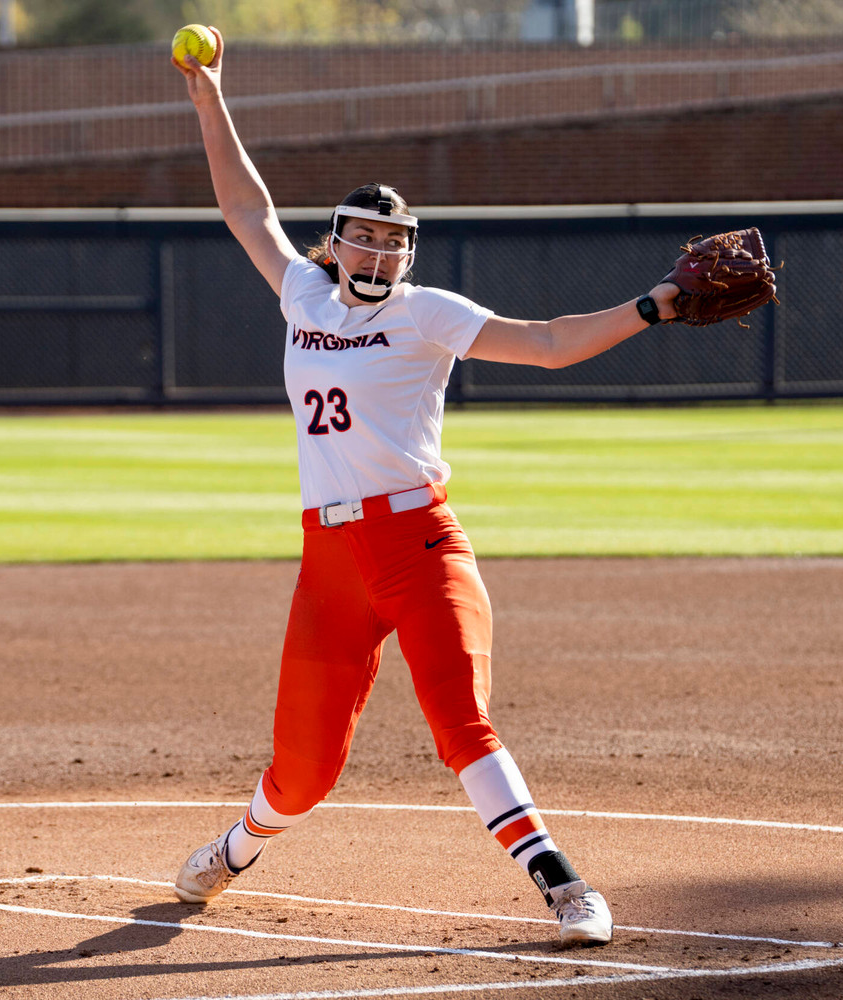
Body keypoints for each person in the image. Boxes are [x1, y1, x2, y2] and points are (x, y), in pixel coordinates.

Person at [170, 28, 688, 947]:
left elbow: (549, 344)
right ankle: (237, 848)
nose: (375, 255)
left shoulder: (427, 314)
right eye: (361, 240)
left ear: (409, 255)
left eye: (392, 243)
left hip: (419, 544)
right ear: (334, 247)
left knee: (462, 724)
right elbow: (245, 211)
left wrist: (657, 305)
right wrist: (208, 96)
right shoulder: (302, 293)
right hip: (327, 561)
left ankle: (563, 884)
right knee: (301, 773)